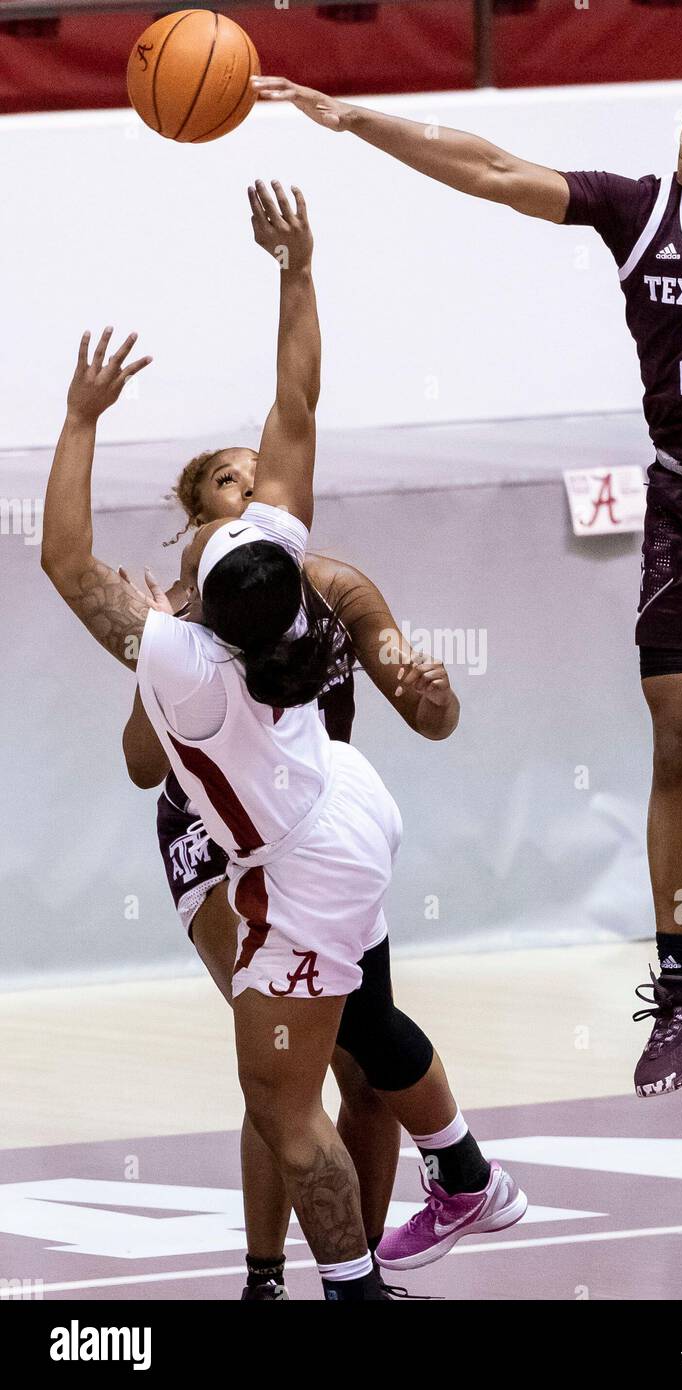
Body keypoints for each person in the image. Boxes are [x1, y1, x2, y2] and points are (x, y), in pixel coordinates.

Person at [253, 69, 682, 1092]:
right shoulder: (637, 210)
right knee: (678, 739)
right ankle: (681, 984)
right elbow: (492, 169)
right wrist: (358, 116)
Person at [41, 180, 526, 1298]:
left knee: (296, 1077)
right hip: (306, 810)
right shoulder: (285, 572)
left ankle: (378, 1250)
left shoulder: (189, 637)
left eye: (251, 482)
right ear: (208, 517)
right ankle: (359, 1231)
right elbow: (297, 407)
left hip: (295, 847)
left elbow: (66, 566)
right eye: (228, 482)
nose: (249, 483)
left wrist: (78, 416)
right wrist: (298, 268)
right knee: (325, 1049)